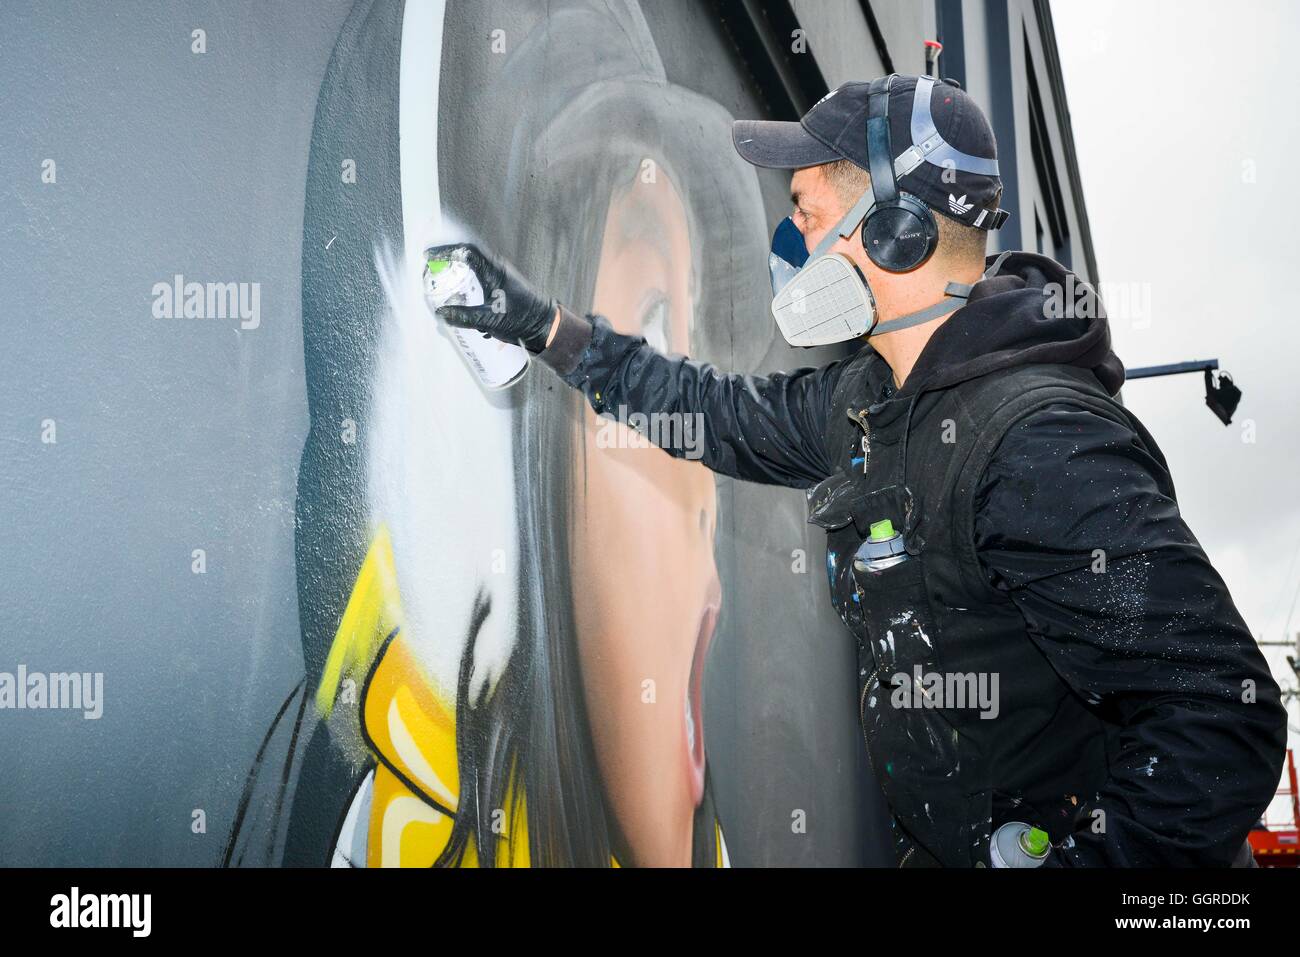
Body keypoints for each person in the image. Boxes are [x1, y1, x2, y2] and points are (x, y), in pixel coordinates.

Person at [426, 74, 1288, 867]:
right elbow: (709, 410)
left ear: (893, 231)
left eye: (803, 209)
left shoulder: (1041, 446)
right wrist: (544, 326)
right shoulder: (869, 404)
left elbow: (1224, 717)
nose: (790, 236)